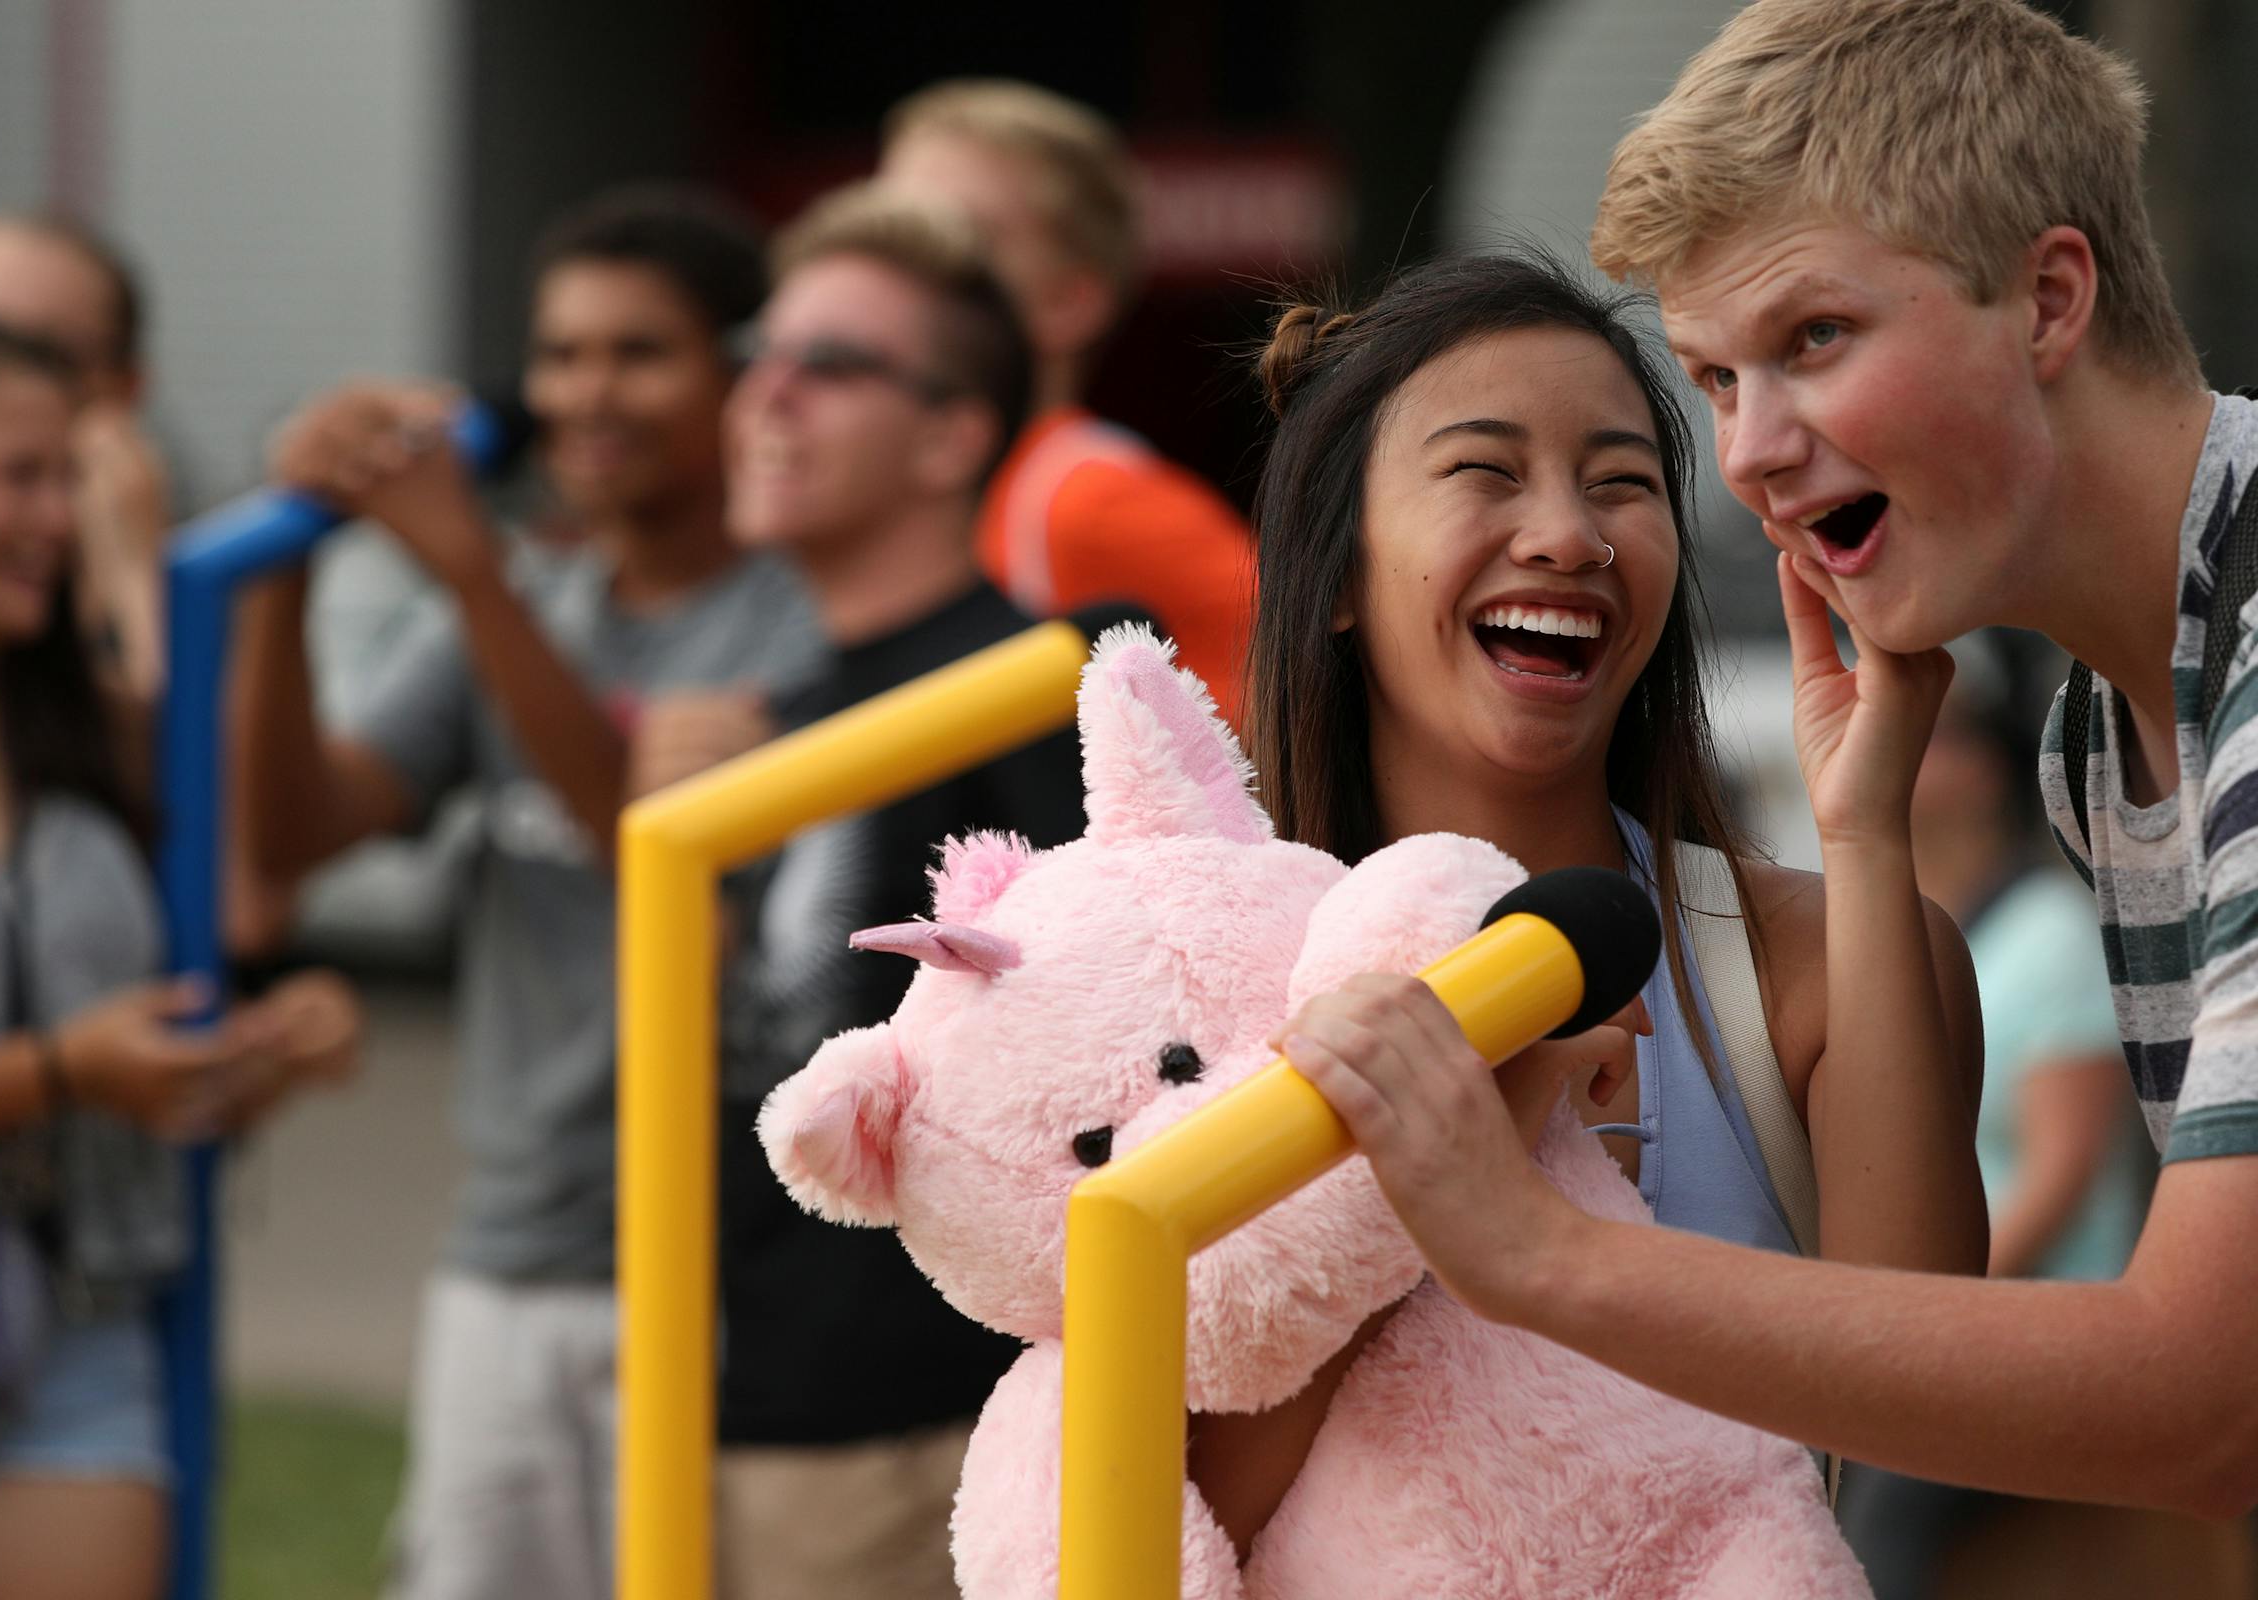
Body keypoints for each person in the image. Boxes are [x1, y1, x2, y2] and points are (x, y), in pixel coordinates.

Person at [1270, 0, 2258, 1525]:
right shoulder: (2101, 735)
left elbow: (2205, 1400)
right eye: (1719, 382)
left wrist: (1531, 1247)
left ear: (2052, 299)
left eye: (1815, 341)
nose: (1749, 456)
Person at [1187, 248, 1986, 1552]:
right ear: (1331, 579)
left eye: (1622, 482)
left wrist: (1863, 831)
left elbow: (1929, 1434)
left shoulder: (1815, 959)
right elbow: (1175, 1522)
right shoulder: (1191, 977)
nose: (1570, 535)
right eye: (1485, 472)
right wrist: (1413, 1187)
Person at [229, 188, 822, 1600]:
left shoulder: (799, 623)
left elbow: (648, 854)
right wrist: (288, 568)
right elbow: (292, 834)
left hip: (723, 1260)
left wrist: (474, 574)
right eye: (560, 355)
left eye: (638, 353)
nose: (586, 394)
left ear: (740, 377)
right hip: (509, 1249)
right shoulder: (517, 607)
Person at [0, 313, 357, 1600]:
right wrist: (59, 1071)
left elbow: (209, 952)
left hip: (76, 1323)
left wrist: (253, 1052)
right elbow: (76, 1058)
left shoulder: (97, 740)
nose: (57, 516)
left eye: (71, 479)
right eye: (19, 476)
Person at [702, 181, 1089, 1600]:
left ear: (950, 437)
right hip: (756, 1391)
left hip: (915, 1428)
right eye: (760, 352)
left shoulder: (1029, 690)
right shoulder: (796, 702)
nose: (767, 393)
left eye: (832, 362)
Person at [1838, 644, 2251, 1596]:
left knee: (1880, 1509)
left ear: (1987, 772)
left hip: (2039, 1317)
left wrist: (1916, 1319)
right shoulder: (1921, 926)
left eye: (1936, 737)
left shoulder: (2049, 931)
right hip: (1946, 1316)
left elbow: (2064, 1174)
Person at [878, 80, 1257, 723]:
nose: (897, 268)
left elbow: (1310, 723)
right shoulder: (904, 495)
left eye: (958, 237)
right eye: (884, 229)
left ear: (1068, 302)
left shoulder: (1094, 502)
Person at [0, 214, 173, 701]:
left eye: (50, 357)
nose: (8, 391)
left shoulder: (216, 575)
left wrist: (139, 585)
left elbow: (195, 742)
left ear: (126, 389)